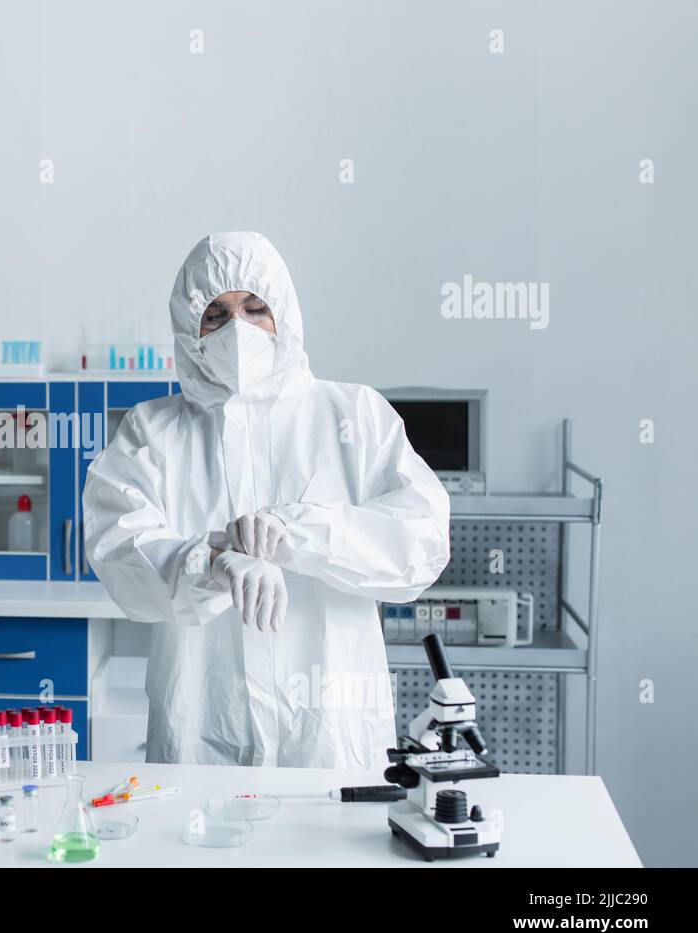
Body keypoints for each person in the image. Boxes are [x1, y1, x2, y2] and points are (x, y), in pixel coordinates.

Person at [82, 231, 450, 768]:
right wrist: (210, 563)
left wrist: (300, 533)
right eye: (217, 315)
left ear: (286, 315)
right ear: (189, 329)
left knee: (325, 850)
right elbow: (117, 550)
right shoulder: (153, 432)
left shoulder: (354, 416)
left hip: (329, 733)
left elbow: (419, 542)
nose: (239, 330)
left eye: (256, 309)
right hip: (203, 726)